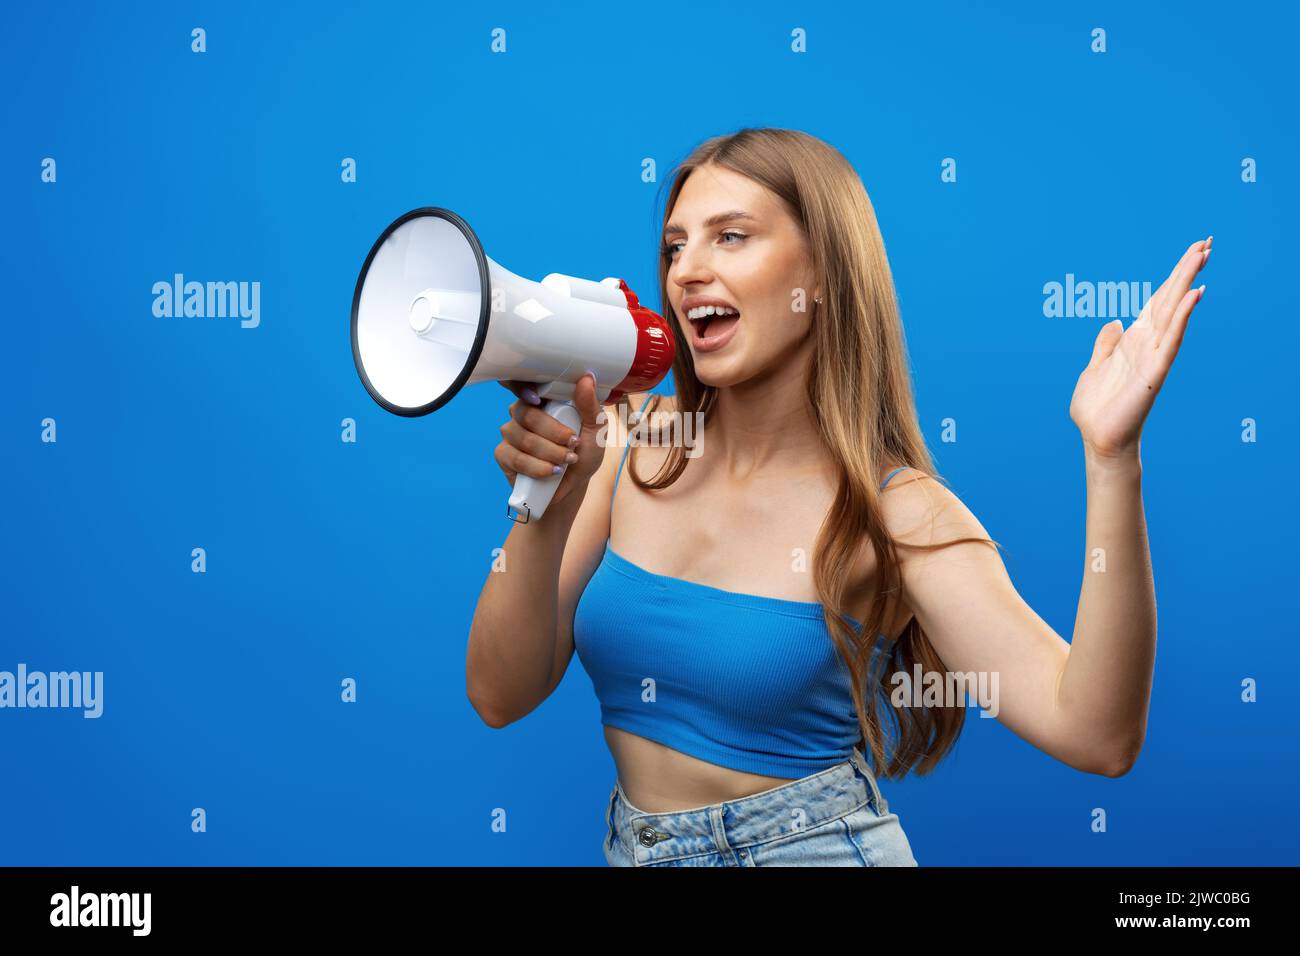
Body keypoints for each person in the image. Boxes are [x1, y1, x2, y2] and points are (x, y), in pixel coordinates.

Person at [466, 127, 1210, 867]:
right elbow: (500, 694)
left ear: (822, 271)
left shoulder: (897, 513)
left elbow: (1097, 733)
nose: (687, 269)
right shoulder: (625, 446)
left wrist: (1113, 459)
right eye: (674, 246)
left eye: (731, 237)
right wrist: (546, 512)